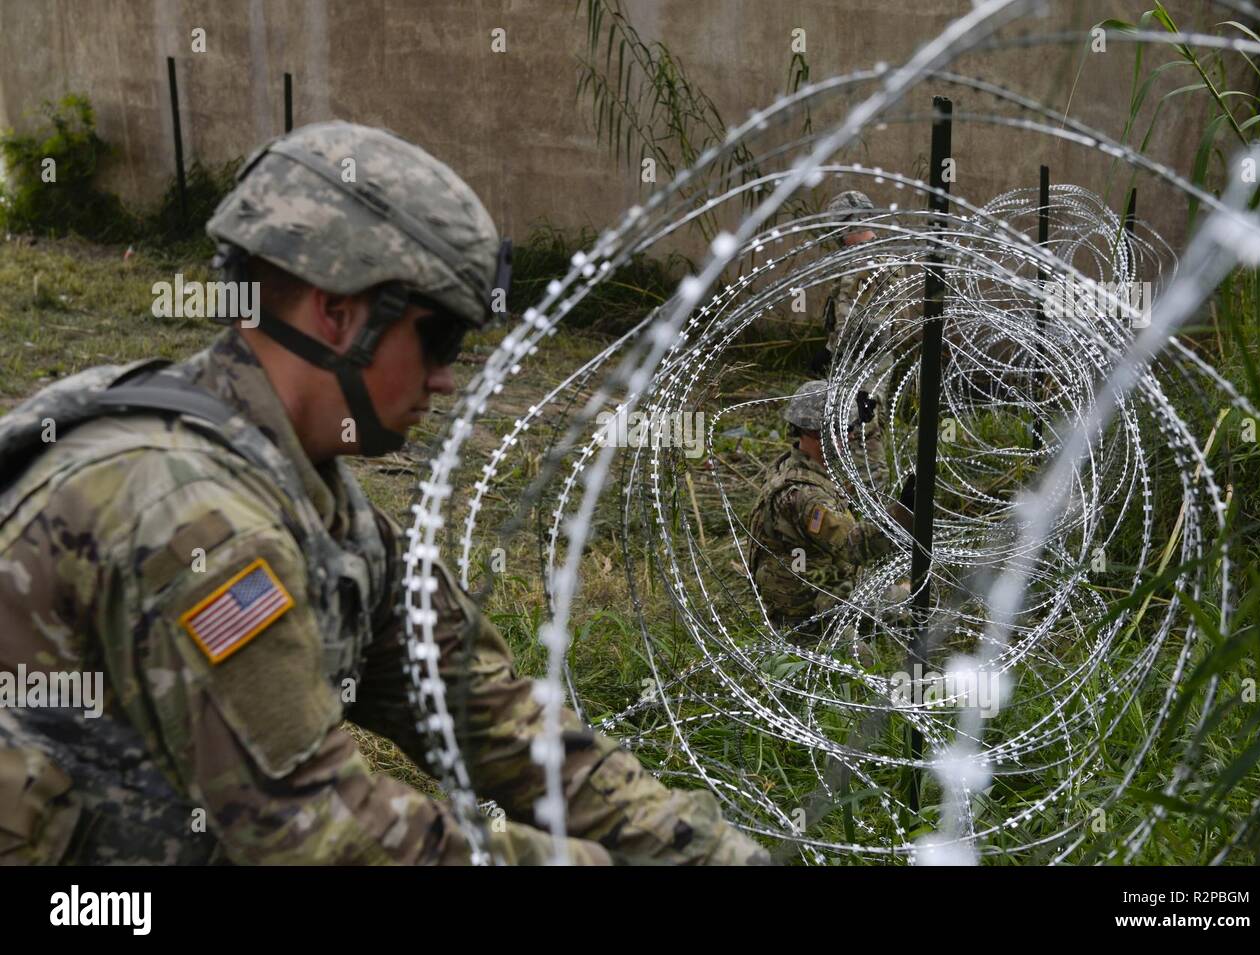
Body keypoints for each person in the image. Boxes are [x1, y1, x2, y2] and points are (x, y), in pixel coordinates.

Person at [0, 120, 767, 866]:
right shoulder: (197, 520)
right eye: (436, 339)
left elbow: (486, 712)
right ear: (337, 312)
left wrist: (698, 849)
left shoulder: (317, 503)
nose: (445, 376)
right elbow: (322, 837)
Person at [745, 380, 912, 639]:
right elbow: (855, 547)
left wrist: (866, 427)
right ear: (817, 434)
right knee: (860, 665)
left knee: (915, 597)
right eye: (842, 429)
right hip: (811, 613)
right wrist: (903, 514)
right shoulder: (806, 496)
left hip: (828, 586)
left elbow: (869, 480)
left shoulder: (795, 464)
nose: (849, 436)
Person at [813, 189, 904, 378]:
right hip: (881, 358)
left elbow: (849, 322)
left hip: (853, 362)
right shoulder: (890, 255)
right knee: (871, 407)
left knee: (846, 407)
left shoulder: (858, 264)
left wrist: (830, 353)